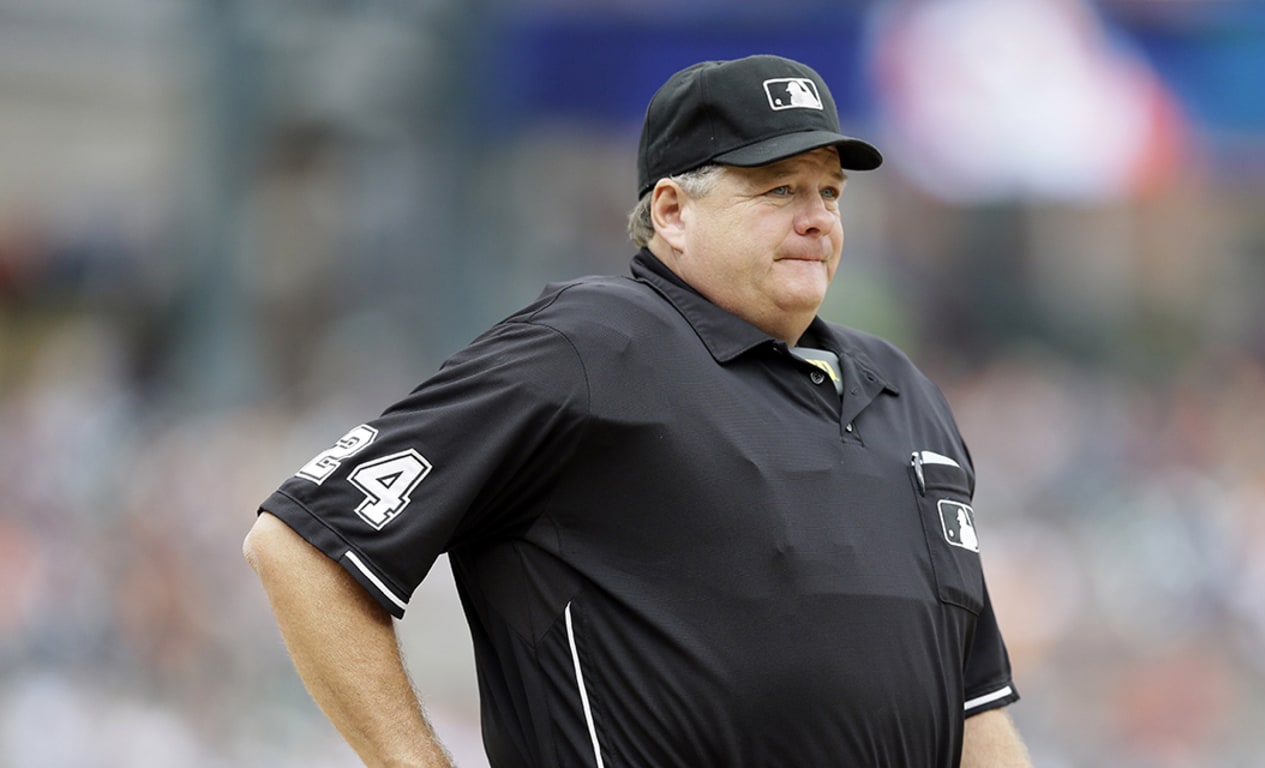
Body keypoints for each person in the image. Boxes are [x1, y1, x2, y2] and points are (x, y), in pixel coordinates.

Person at [244, 53, 1033, 768]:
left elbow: (975, 709)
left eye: (830, 190)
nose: (818, 217)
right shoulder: (593, 346)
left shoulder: (904, 392)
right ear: (672, 213)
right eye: (779, 187)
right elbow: (304, 545)